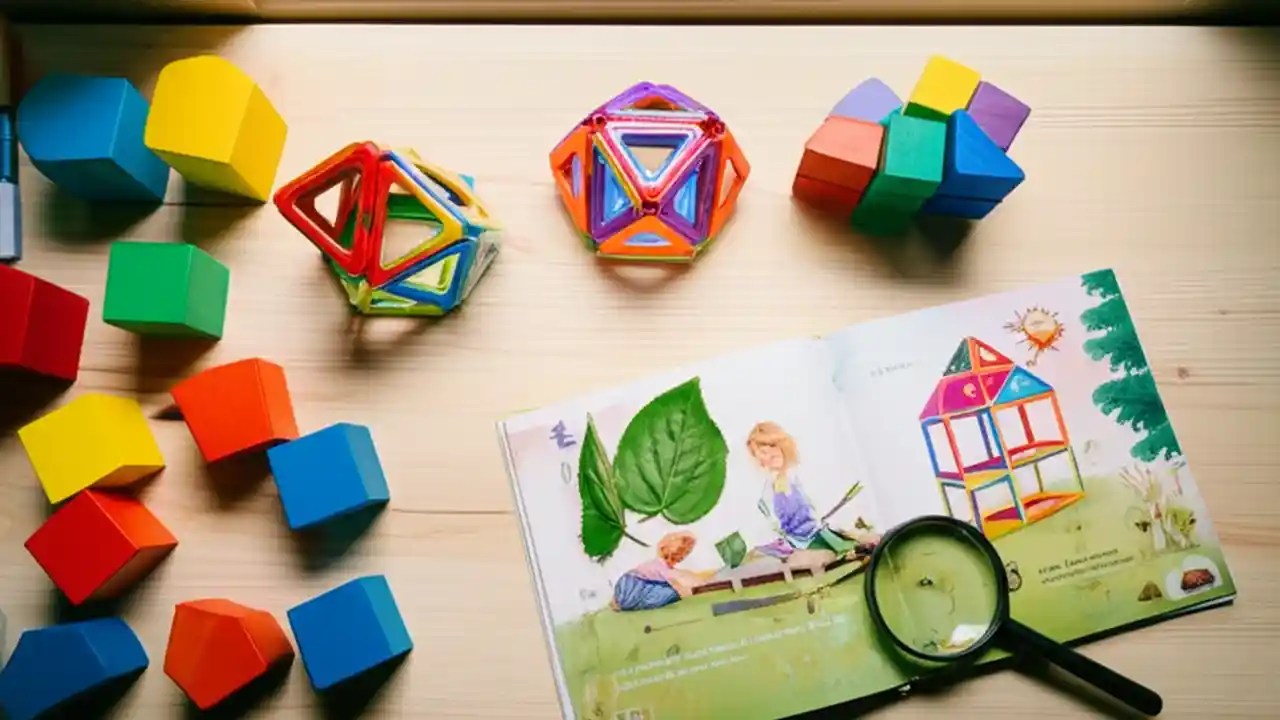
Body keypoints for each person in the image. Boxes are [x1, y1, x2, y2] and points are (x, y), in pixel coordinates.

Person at [746, 421, 851, 566]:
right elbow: (773, 525)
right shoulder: (769, 490)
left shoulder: (800, 476)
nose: (768, 456)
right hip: (794, 545)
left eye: (770, 448)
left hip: (817, 538)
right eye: (761, 454)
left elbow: (820, 513)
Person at [611, 532, 711, 612]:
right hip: (634, 588)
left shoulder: (658, 565)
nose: (683, 557)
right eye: (683, 553)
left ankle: (621, 602)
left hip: (627, 587)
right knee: (671, 593)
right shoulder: (661, 567)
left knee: (671, 588)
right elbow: (679, 587)